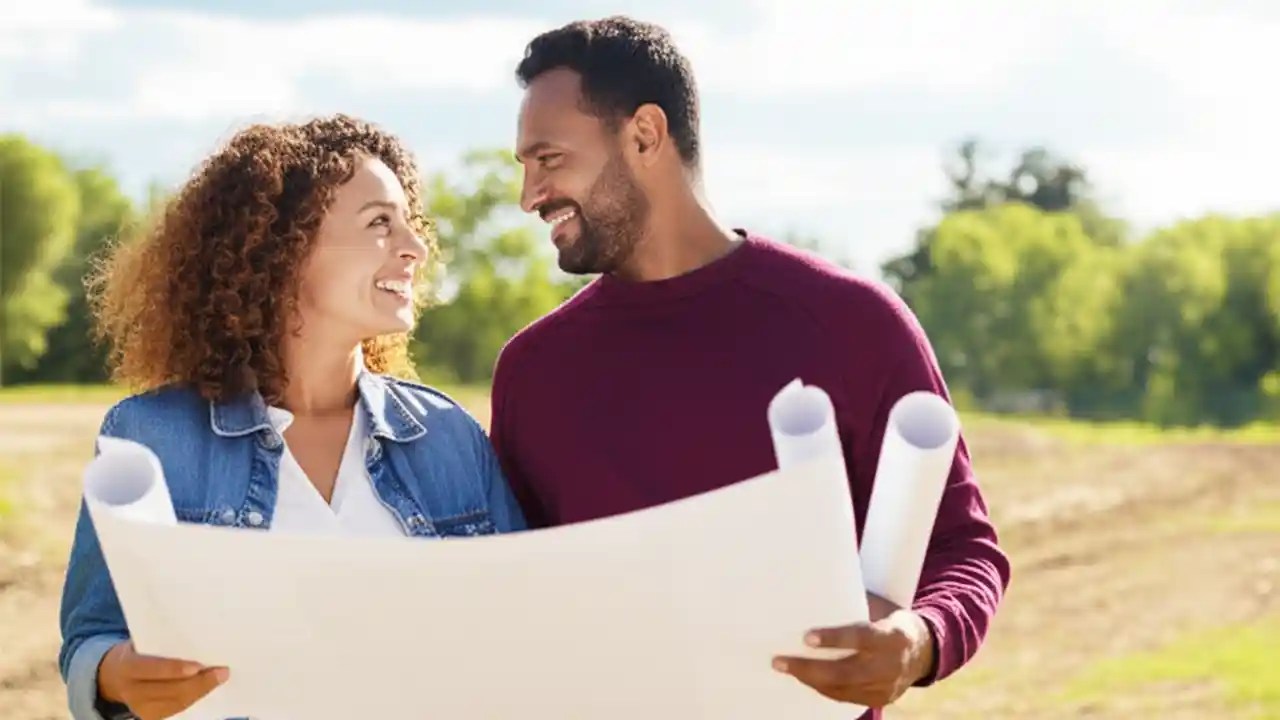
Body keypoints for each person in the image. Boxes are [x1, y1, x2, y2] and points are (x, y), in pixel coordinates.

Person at [492, 16, 1011, 718]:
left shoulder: (853, 325)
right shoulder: (534, 372)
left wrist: (917, 640)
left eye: (548, 159)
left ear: (645, 134)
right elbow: (518, 604)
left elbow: (962, 546)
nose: (529, 195)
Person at [58, 114, 526, 720]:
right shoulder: (152, 438)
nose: (415, 247)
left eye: (410, 224)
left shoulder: (448, 436)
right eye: (380, 223)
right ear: (283, 247)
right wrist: (119, 674)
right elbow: (92, 637)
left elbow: (520, 632)